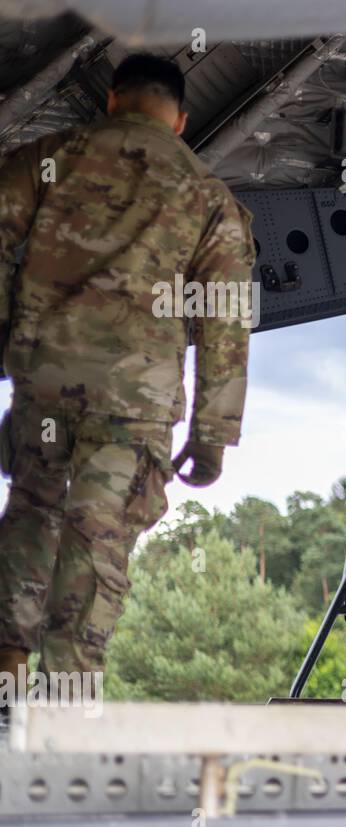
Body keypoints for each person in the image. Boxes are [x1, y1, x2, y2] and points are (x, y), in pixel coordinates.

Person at [0, 53, 255, 690]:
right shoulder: (206, 195)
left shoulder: (47, 157)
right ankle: (66, 705)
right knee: (97, 539)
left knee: (32, 515)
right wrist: (212, 434)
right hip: (133, 403)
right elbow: (224, 321)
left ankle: (5, 676)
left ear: (112, 100)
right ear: (181, 120)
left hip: (45, 384)